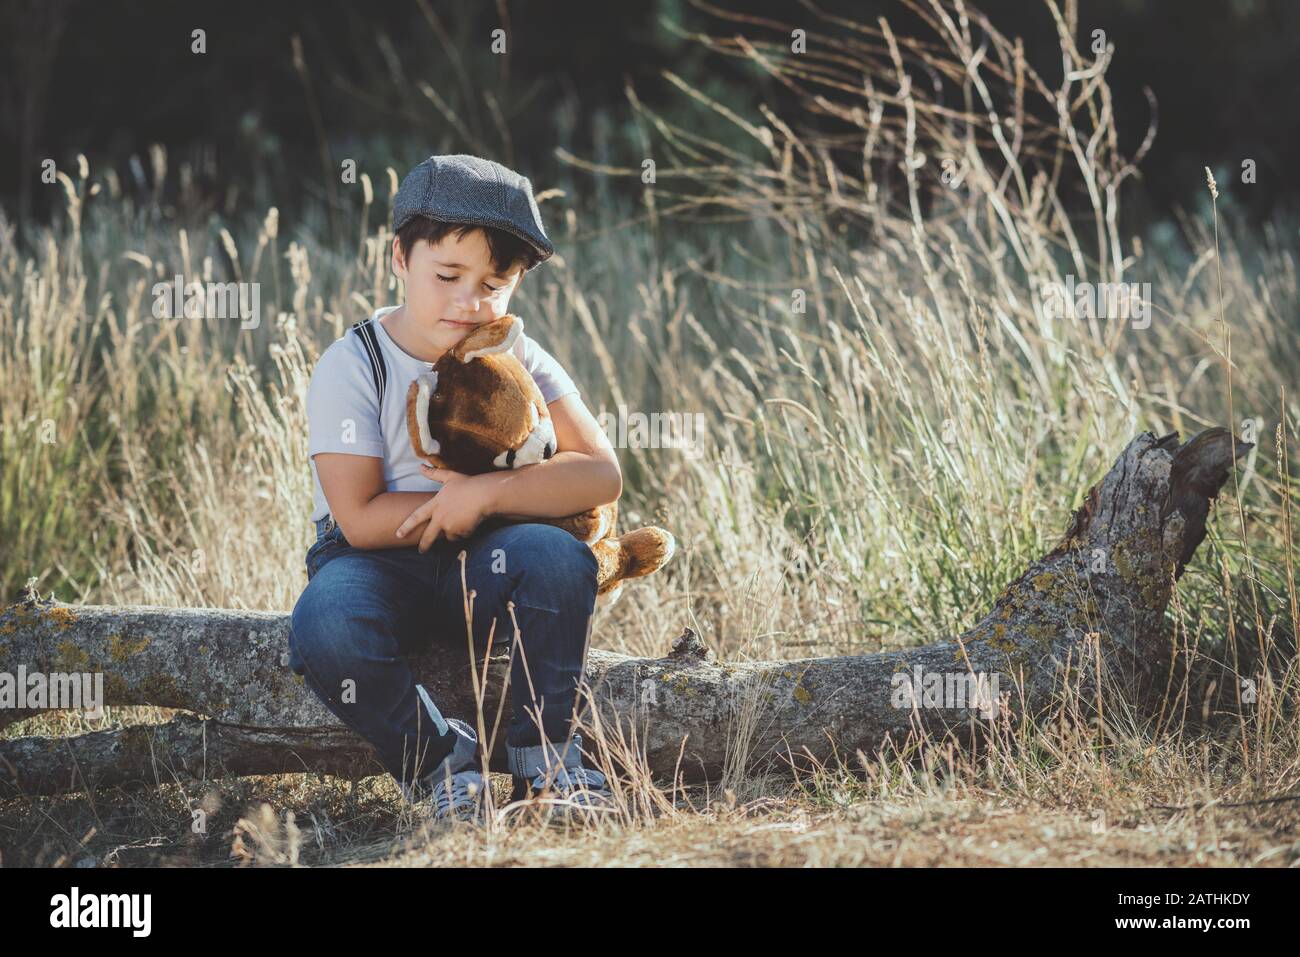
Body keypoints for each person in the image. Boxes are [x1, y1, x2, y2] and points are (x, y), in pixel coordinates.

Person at [289, 154, 619, 823]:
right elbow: (358, 515)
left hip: (490, 559)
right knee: (323, 623)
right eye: (448, 275)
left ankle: (547, 761)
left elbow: (600, 472)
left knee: (559, 557)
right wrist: (457, 502)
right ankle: (442, 759)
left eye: (494, 283)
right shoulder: (355, 362)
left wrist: (485, 497)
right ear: (399, 259)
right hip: (377, 562)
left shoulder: (516, 355)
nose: (470, 300)